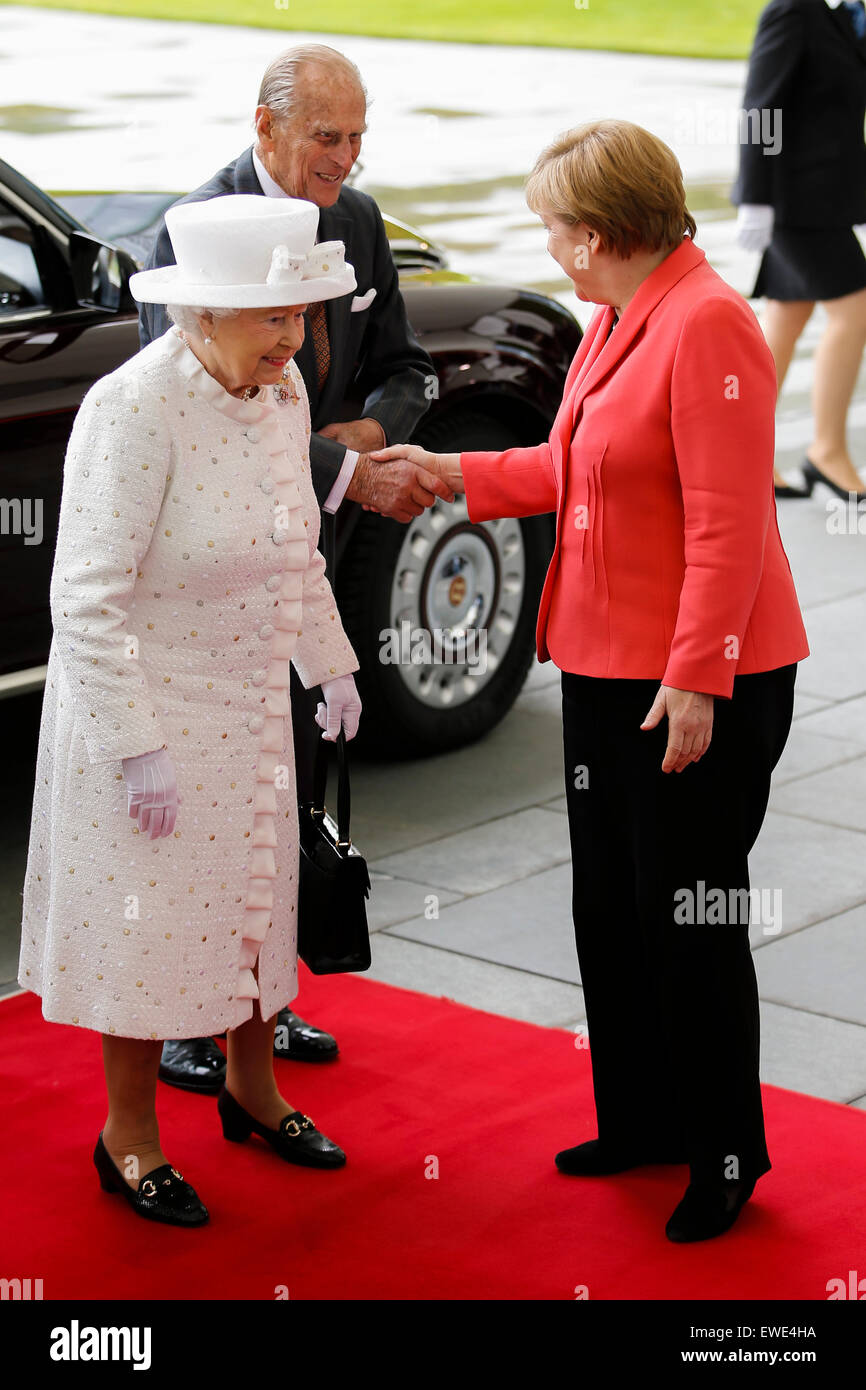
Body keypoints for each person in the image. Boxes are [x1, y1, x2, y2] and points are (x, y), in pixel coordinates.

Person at [375, 120, 810, 1243]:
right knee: (610, 909)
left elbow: (726, 524)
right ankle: (644, 1121)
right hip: (607, 669)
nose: (547, 244)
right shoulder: (621, 312)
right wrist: (447, 474)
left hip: (692, 679)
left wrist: (696, 678)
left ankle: (723, 1154)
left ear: (598, 231)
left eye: (553, 228)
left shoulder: (706, 320)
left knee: (687, 917)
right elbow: (578, 466)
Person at [18, 195, 375, 1226]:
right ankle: (126, 1138)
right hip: (149, 711)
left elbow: (295, 546)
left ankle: (252, 1093)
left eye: (298, 316)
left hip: (249, 702)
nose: (291, 338)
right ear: (202, 315)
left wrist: (331, 664)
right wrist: (137, 749)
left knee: (256, 911)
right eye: (270, 318)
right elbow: (84, 598)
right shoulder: (132, 408)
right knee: (150, 932)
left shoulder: (281, 392)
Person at [139, 43, 447, 1089]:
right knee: (209, 808)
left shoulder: (356, 221)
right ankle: (185, 1018)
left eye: (360, 137)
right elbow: (211, 414)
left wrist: (367, 437)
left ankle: (259, 1017)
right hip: (212, 583)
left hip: (313, 560)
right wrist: (338, 468)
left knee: (285, 799)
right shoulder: (194, 230)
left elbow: (408, 368)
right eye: (328, 137)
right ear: (264, 127)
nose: (347, 159)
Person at [733, 0, 866, 501]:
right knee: (855, 313)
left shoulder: (851, 16)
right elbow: (759, 108)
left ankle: (744, 459)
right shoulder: (793, 11)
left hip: (826, 201)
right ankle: (827, 452)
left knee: (786, 321)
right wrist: (755, 199)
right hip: (791, 203)